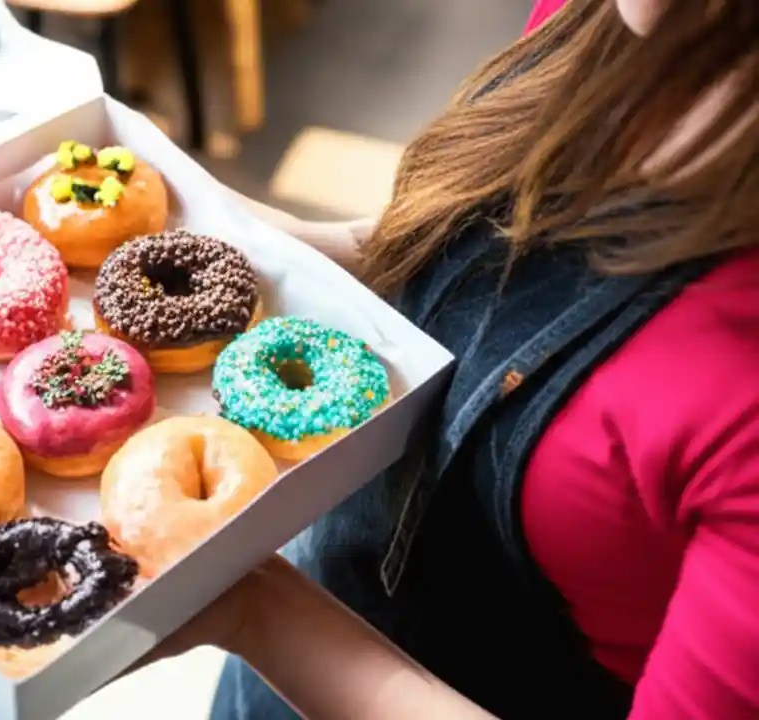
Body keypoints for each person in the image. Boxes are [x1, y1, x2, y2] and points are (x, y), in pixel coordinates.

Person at [137, 1, 759, 718]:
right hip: (295, 641)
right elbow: (481, 247)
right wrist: (260, 241)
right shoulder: (602, 19)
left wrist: (258, 613)